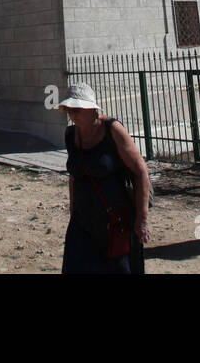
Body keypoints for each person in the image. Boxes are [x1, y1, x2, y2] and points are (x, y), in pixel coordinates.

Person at [58, 82, 150, 273]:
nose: (72, 115)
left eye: (77, 110)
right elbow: (74, 178)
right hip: (83, 220)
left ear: (92, 109)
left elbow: (140, 171)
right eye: (69, 110)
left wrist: (142, 220)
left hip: (115, 221)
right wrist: (73, 213)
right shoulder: (71, 135)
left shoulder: (113, 130)